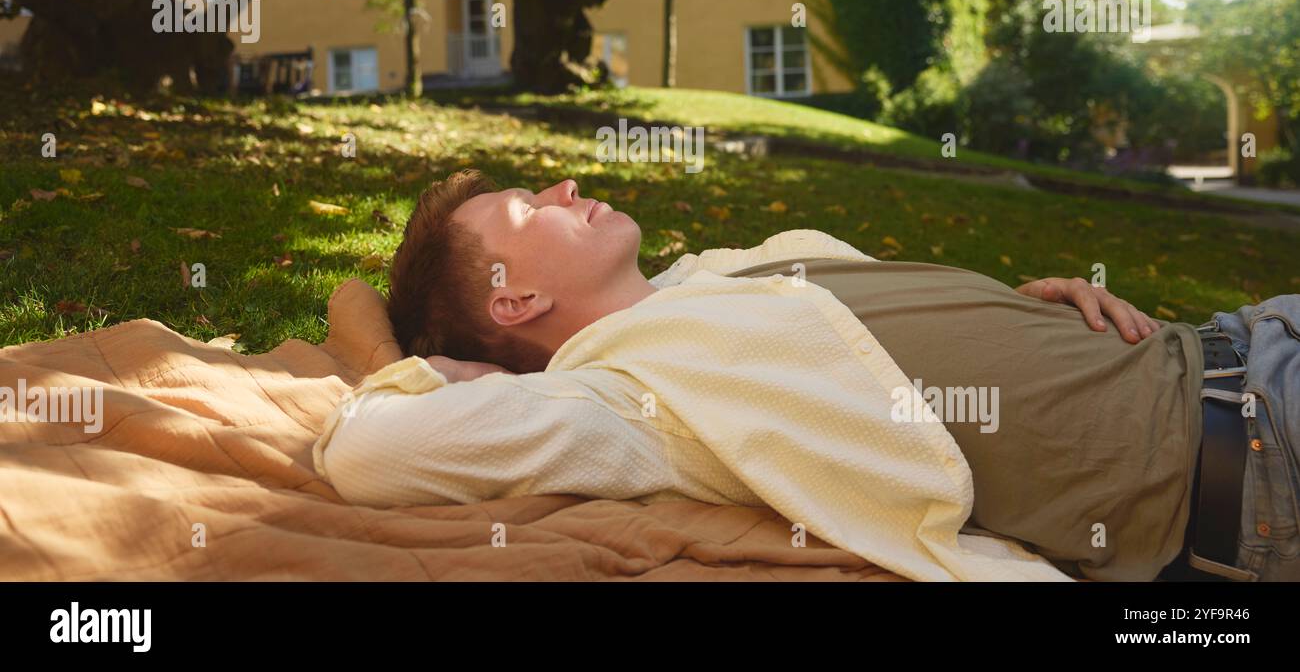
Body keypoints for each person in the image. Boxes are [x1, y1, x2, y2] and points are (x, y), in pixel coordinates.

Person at [313, 170, 1298, 582]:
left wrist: (1017, 300)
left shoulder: (727, 274)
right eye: (529, 209)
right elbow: (374, 452)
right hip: (1256, 460)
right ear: (513, 304)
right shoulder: (627, 395)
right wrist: (392, 358)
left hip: (1238, 338)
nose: (563, 187)